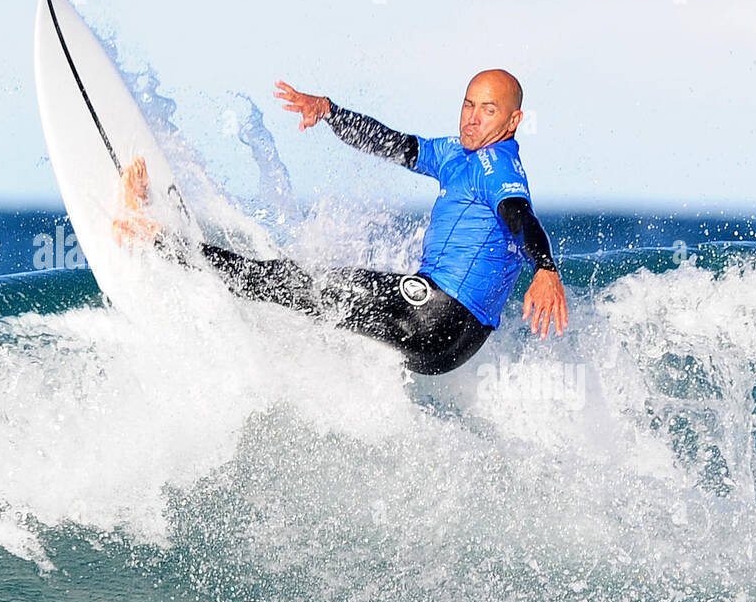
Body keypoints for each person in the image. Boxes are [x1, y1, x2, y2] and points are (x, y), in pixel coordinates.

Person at [114, 69, 567, 375]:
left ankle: (154, 239)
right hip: (451, 341)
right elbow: (394, 144)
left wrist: (545, 268)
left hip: (440, 315)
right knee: (310, 304)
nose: (472, 118)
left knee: (295, 282)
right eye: (469, 105)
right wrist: (330, 111)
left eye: (487, 110)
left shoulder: (498, 168)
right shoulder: (456, 153)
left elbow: (518, 216)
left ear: (513, 119)